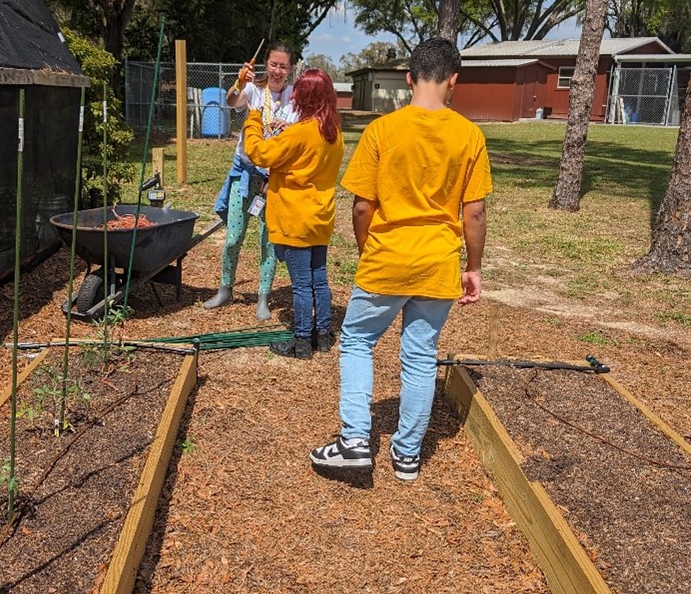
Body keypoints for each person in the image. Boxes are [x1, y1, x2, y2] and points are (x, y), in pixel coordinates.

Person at [309, 38, 491, 481]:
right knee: (420, 354)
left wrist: (367, 247)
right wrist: (473, 267)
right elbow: (475, 212)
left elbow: (360, 207)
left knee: (356, 341)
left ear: (408, 79)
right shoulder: (470, 135)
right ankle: (407, 455)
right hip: (438, 263)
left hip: (387, 259)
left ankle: (354, 441)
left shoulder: (382, 131)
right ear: (454, 80)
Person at [242, 69, 344, 360]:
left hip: (296, 218)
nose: (294, 95)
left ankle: (300, 342)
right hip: (320, 216)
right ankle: (322, 336)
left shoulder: (301, 132)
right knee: (319, 279)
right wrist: (289, 130)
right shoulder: (333, 132)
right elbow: (307, 152)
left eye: (299, 91)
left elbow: (259, 153)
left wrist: (252, 120)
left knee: (301, 284)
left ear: (306, 97)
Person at [204, 41, 298, 321]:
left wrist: (289, 126)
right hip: (245, 172)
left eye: (283, 66)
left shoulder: (295, 96)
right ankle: (225, 288)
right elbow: (232, 102)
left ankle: (263, 297)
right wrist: (237, 83)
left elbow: (305, 128)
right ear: (265, 65)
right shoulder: (254, 89)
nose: (278, 70)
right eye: (273, 64)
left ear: (290, 68)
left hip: (274, 177)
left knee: (268, 241)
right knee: (233, 237)